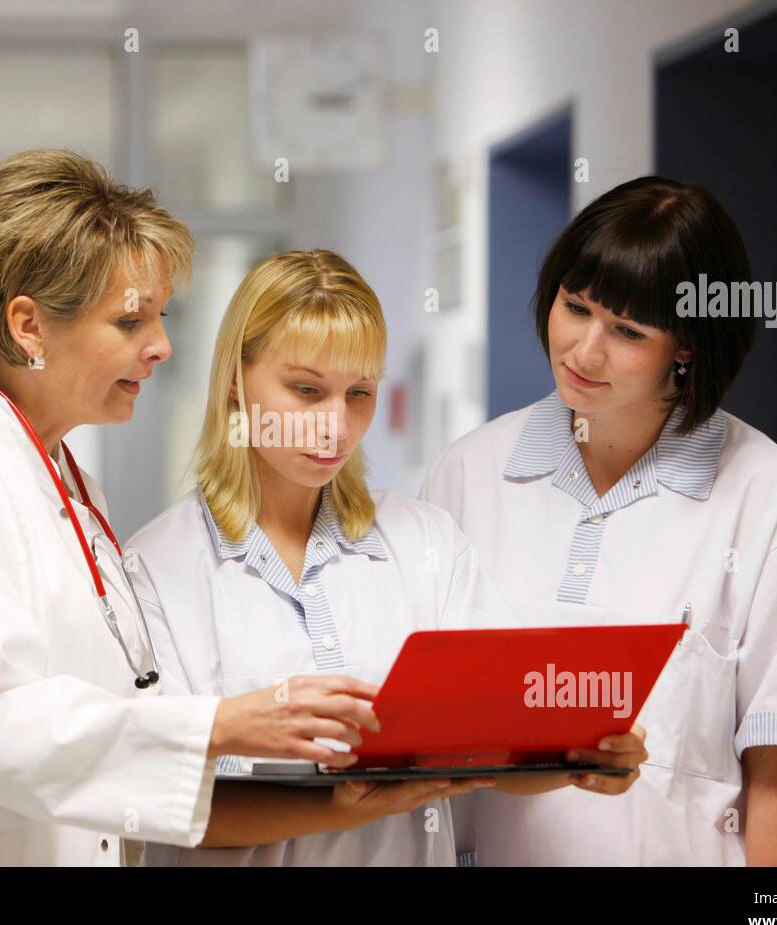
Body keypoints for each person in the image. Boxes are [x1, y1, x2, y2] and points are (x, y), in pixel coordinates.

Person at [0, 150, 388, 866]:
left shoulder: (68, 485)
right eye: (131, 322)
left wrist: (332, 797)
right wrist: (224, 725)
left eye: (162, 317)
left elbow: (113, 731)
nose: (163, 347)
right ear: (29, 327)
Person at [126, 250, 647, 865]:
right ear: (237, 384)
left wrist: (579, 757)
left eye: (359, 394)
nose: (335, 426)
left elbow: (501, 750)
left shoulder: (429, 545)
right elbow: (161, 799)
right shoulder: (154, 568)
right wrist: (335, 806)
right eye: (306, 390)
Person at [422, 176, 777, 866]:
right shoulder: (468, 474)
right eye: (575, 307)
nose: (584, 351)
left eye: (626, 331)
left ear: (686, 346)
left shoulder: (760, 492)